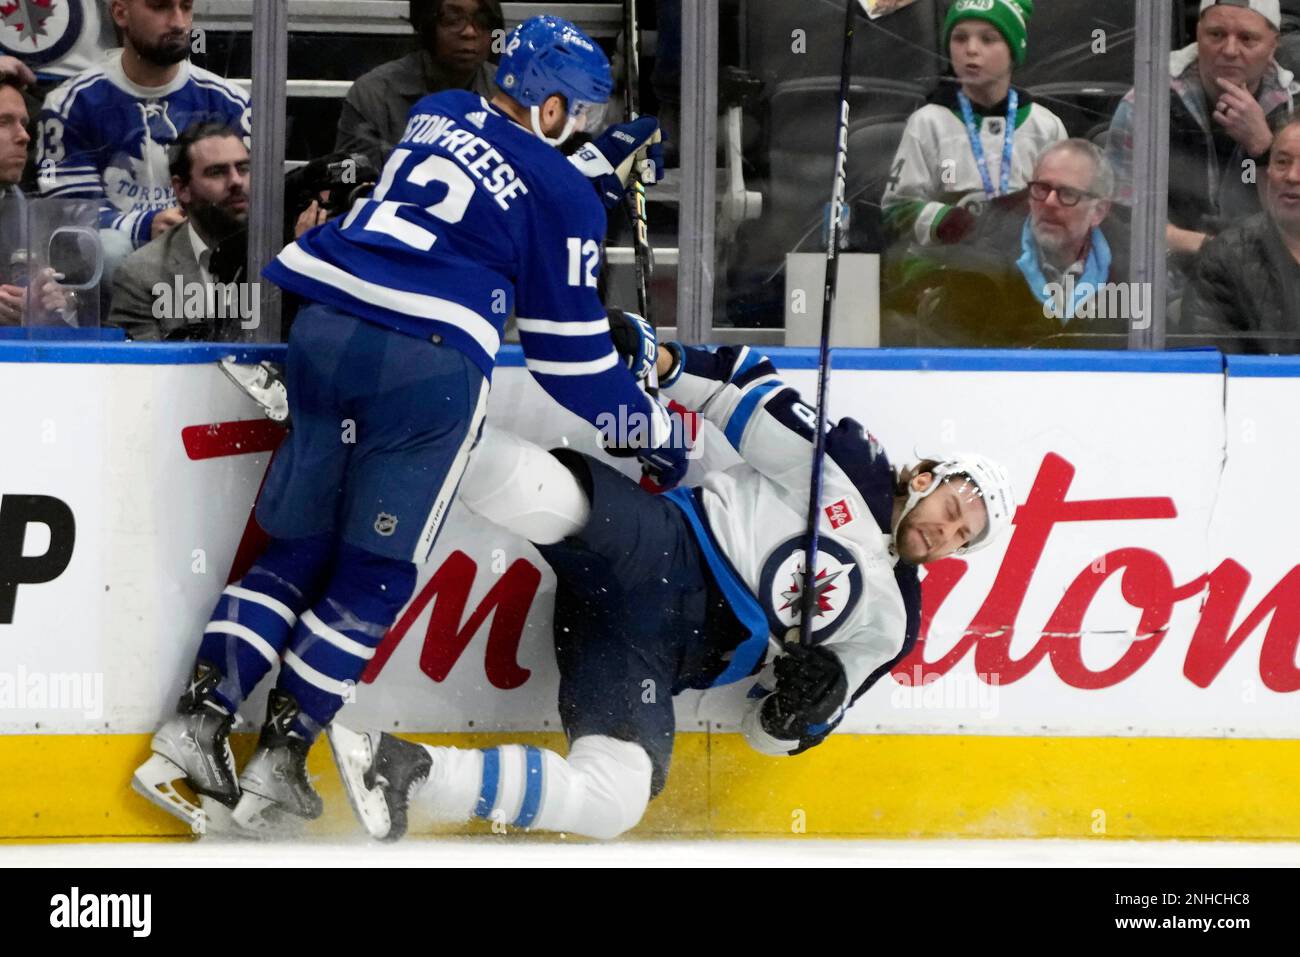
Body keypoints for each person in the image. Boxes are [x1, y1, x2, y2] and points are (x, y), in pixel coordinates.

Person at [130, 15, 667, 835]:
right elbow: (570, 363)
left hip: (323, 329)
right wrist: (651, 427)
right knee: (374, 572)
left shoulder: (442, 111)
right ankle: (279, 763)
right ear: (551, 108)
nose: (582, 128)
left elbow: (492, 193)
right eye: (580, 114)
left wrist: (579, 178)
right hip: (423, 365)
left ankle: (191, 732)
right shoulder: (563, 194)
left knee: (297, 548)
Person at [328, 337, 1015, 842]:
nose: (950, 531)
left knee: (617, 798)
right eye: (955, 507)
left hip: (658, 655)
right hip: (665, 550)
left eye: (965, 537)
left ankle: (405, 770)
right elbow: (732, 397)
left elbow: (770, 734)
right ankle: (387, 422)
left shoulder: (892, 625)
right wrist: (658, 359)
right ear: (927, 477)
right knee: (550, 494)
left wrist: (795, 713)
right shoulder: (848, 466)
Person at [35, 0, 251, 281]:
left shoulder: (230, 102)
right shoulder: (71, 102)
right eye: (160, 7)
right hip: (119, 255)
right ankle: (121, 326)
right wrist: (145, 225)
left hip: (206, 246)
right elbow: (67, 206)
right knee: (110, 248)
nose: (178, 22)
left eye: (185, 7)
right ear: (121, 12)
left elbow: (251, 199)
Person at [1107, 0, 1298, 287]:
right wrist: (1211, 247)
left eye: (1247, 38)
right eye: (1216, 35)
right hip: (1167, 278)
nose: (1230, 50)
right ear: (1198, 33)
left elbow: (1295, 227)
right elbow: (1118, 218)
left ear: (1273, 44)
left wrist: (1262, 147)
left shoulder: (1293, 110)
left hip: (1268, 282)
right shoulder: (1147, 103)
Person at [888, 139, 1132, 348]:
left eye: (1067, 194)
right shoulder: (976, 270)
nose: (1049, 202)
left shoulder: (1138, 268)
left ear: (1099, 211)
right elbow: (949, 375)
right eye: (1041, 188)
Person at [881, 0, 1066, 247]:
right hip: (941, 268)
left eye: (988, 39)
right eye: (959, 38)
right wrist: (942, 221)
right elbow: (896, 208)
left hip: (1020, 269)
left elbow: (1068, 207)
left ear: (1014, 49)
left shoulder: (1046, 127)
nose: (971, 49)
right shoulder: (928, 123)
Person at [107, 122, 250, 340]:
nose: (236, 181)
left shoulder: (285, 255)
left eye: (243, 168)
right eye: (217, 172)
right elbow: (148, 370)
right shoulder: (142, 275)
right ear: (182, 189)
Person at [336, 0, 504, 170]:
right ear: (428, 28)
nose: (470, 32)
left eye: (483, 20)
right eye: (453, 19)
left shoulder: (509, 93)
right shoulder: (373, 94)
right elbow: (347, 178)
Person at [1181, 112, 1300, 352]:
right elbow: (1209, 361)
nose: (1292, 176)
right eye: (1282, 162)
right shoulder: (1226, 257)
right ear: (1267, 174)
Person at [0, 75, 74, 328]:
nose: (24, 137)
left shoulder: (36, 215)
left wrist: (46, 311)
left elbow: (75, 316)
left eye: (23, 123)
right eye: (4, 122)